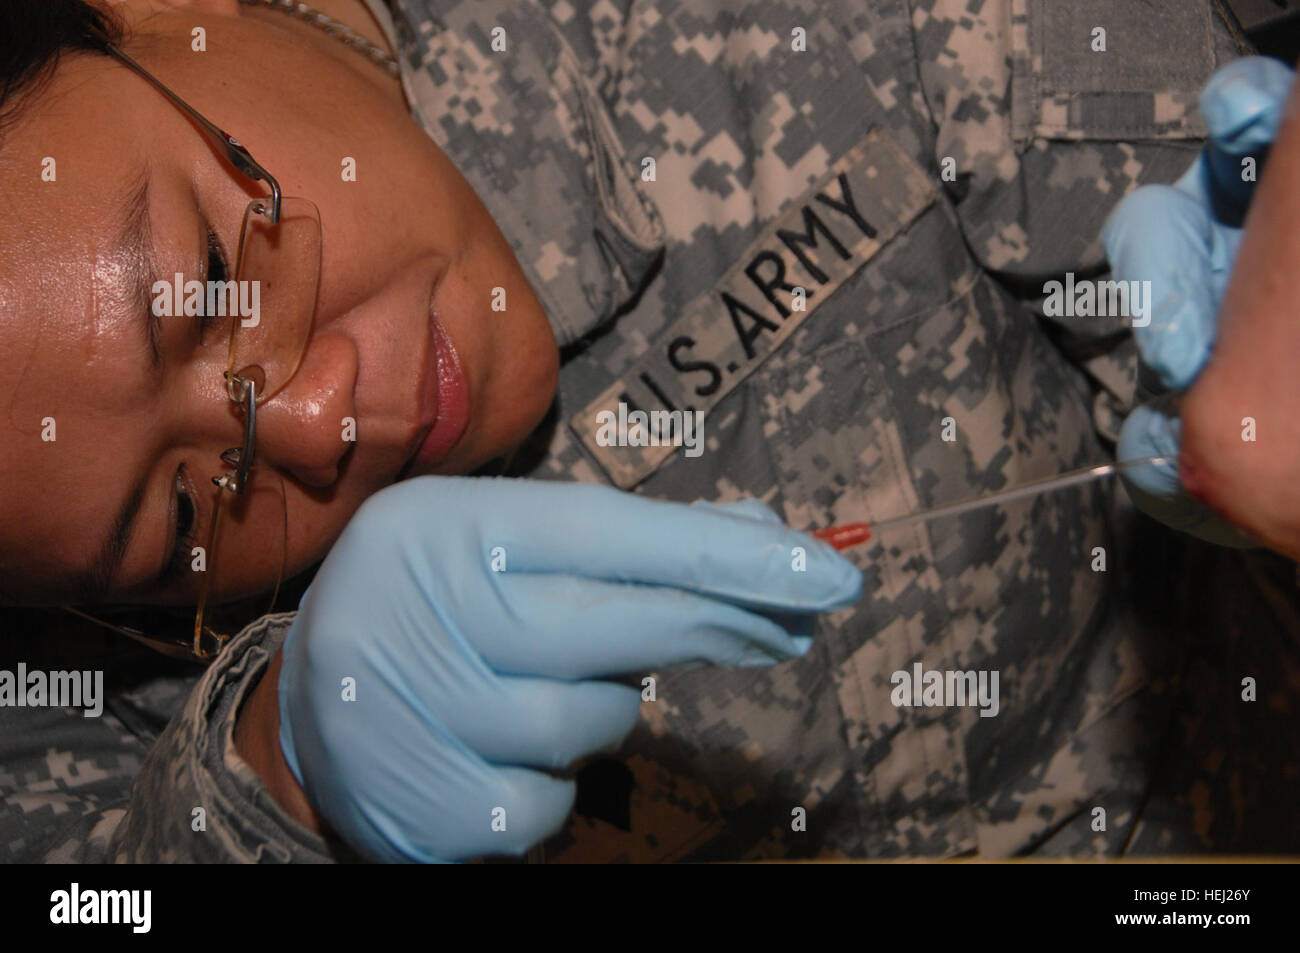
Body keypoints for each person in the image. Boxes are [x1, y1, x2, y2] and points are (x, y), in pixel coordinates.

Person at [0, 0, 1296, 863]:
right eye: (177, 513)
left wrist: (1252, 449)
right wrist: (276, 780)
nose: (318, 418)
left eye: (218, 274)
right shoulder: (58, 678)